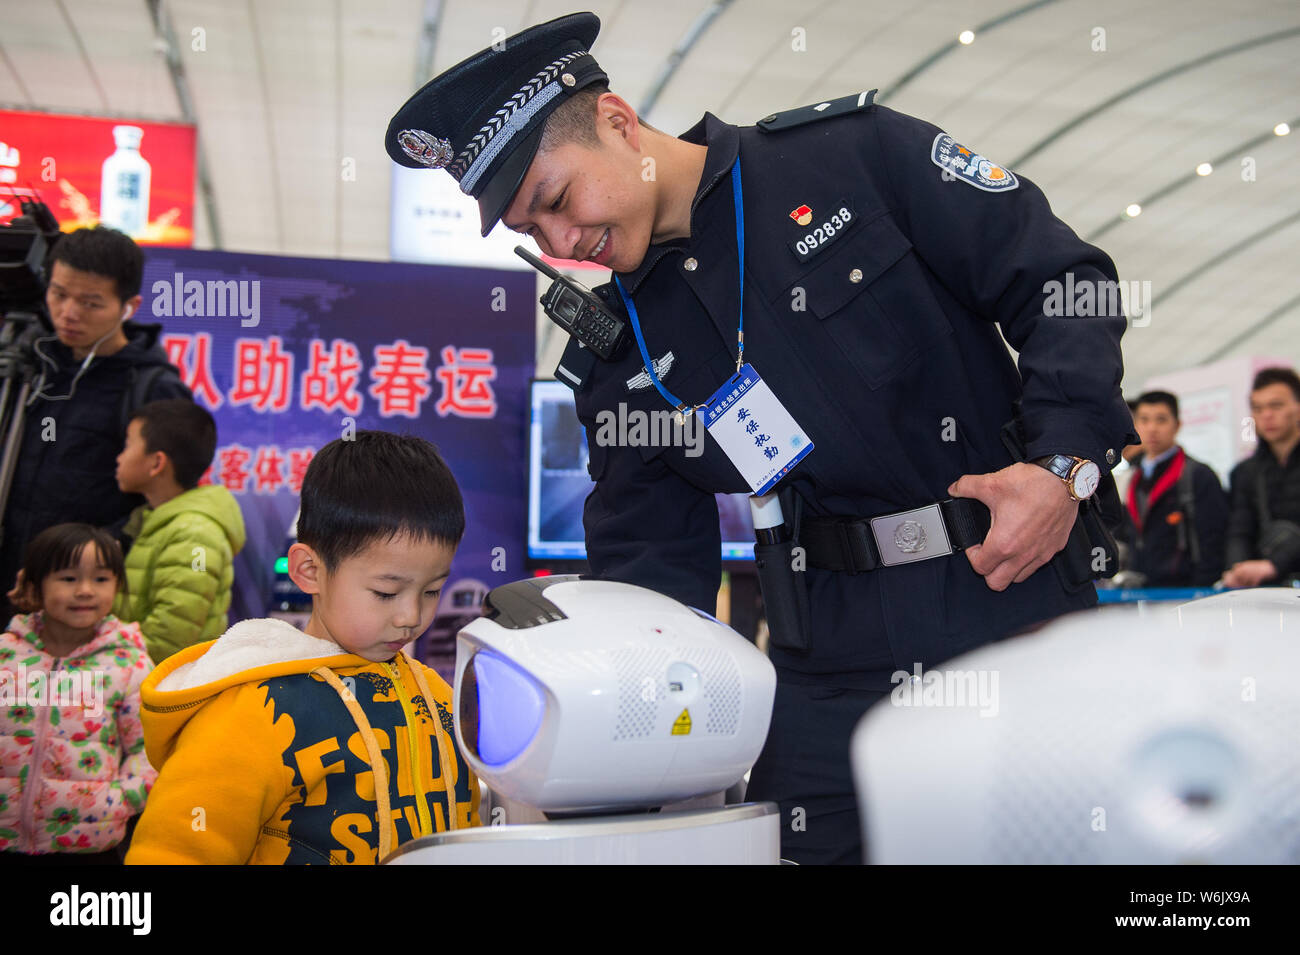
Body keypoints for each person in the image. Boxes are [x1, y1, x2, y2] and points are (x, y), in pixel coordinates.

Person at [386, 12, 1136, 863]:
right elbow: (651, 577)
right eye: (532, 233)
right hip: (824, 659)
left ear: (618, 122)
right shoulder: (615, 353)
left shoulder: (854, 158)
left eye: (558, 200)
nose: (562, 242)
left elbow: (1064, 284)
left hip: (1011, 598)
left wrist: (1062, 468)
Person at [125, 431, 480, 864]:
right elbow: (176, 851)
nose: (411, 616)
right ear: (309, 570)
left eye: (431, 590)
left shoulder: (434, 695)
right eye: (387, 593)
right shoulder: (252, 709)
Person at [0, 226, 192, 623]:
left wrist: (78, 563)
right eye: (59, 294)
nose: (69, 313)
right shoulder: (26, 364)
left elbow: (164, 503)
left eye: (91, 302)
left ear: (129, 305)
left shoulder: (152, 388)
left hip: (78, 602)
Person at [0, 523, 154, 864]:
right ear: (35, 585)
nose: (85, 590)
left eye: (100, 579)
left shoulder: (128, 664)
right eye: (68, 578)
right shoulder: (7, 656)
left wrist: (119, 800)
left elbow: (149, 748)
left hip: (87, 843)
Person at [112, 399, 246, 663]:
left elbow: (169, 640)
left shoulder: (193, 535)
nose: (119, 457)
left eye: (127, 445)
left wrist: (103, 660)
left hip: (162, 690)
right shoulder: (160, 522)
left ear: (156, 463)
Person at [1118, 391, 1227, 587]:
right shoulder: (1132, 477)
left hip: (1187, 591)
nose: (1152, 428)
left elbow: (1214, 539)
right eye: (1144, 420)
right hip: (1143, 591)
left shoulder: (1198, 475)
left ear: (1177, 425)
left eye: (1161, 420)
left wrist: (1202, 588)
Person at [1223, 367, 1300, 588]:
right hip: (1266, 590)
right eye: (1258, 408)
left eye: (1276, 405)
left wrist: (1274, 564)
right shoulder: (1246, 471)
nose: (1266, 415)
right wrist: (1236, 568)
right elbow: (1240, 528)